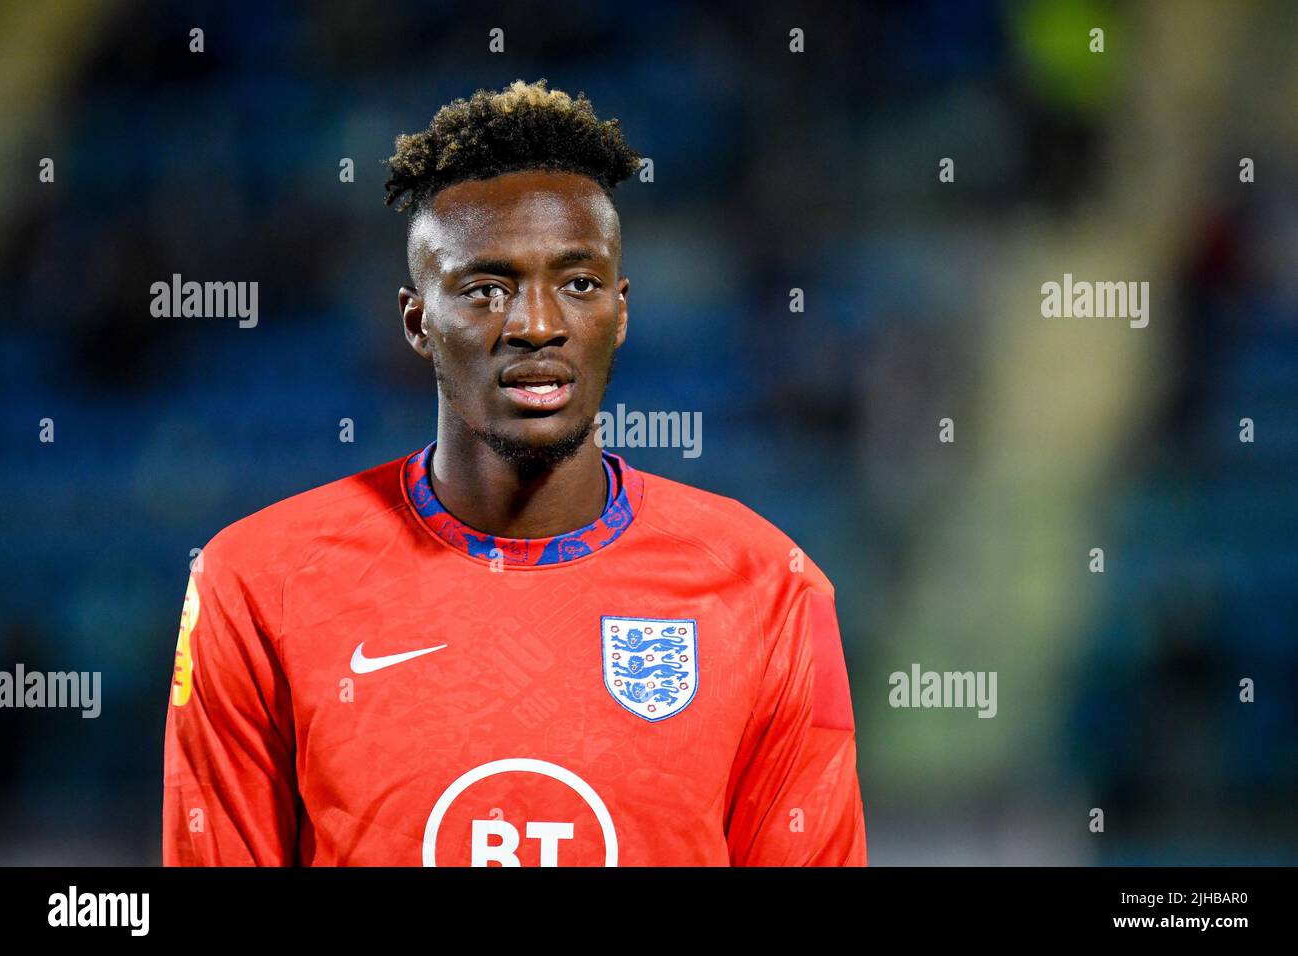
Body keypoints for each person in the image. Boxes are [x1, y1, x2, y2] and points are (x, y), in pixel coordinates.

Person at [162, 79, 866, 866]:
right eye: (486, 289)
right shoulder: (261, 582)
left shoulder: (769, 586)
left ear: (621, 311)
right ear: (417, 322)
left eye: (578, 284)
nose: (536, 325)